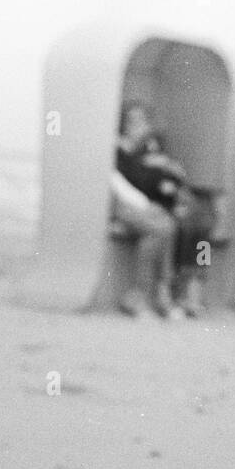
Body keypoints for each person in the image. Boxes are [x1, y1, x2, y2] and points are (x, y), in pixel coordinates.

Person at [82, 104, 186, 318]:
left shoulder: (148, 148)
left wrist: (161, 170)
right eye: (131, 120)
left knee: (169, 227)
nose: (137, 125)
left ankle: (152, 293)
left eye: (141, 120)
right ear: (122, 124)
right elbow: (129, 181)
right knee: (162, 228)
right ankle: (152, 293)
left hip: (142, 205)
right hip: (121, 205)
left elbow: (165, 179)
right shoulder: (119, 149)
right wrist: (151, 169)